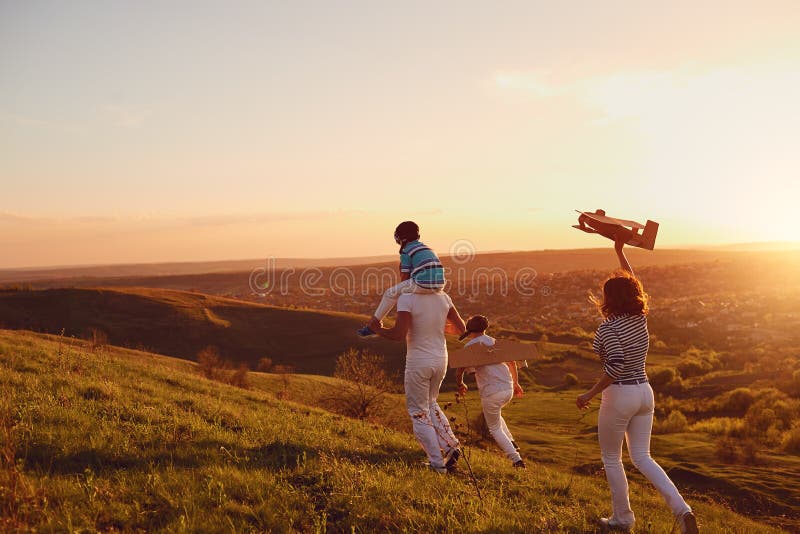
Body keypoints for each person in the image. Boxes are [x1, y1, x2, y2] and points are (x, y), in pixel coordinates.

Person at [576, 235, 698, 534]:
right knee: (643, 457)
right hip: (645, 390)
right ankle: (683, 511)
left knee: (611, 458)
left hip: (620, 394)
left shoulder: (608, 328)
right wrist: (619, 251)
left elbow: (615, 366)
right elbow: (635, 283)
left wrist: (590, 393)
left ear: (608, 300)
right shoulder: (639, 318)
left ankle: (622, 519)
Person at [374, 289, 465, 473]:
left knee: (418, 413)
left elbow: (398, 334)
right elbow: (462, 329)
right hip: (441, 360)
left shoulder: (407, 297)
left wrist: (377, 329)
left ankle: (437, 464)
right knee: (431, 403)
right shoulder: (443, 296)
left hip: (419, 362)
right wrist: (436, 326)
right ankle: (451, 447)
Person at [455, 315, 526, 468]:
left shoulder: (469, 347)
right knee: (496, 415)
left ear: (469, 330)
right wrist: (516, 383)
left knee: (494, 428)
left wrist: (460, 383)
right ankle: (511, 441)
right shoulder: (494, 342)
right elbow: (512, 362)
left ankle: (517, 460)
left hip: (491, 392)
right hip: (507, 388)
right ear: (485, 328)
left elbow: (460, 370)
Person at [357, 221, 445, 337]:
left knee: (390, 293)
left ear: (401, 238)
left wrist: (402, 292)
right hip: (439, 285)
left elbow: (405, 277)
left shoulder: (406, 251)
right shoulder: (428, 248)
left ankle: (373, 324)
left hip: (422, 283)